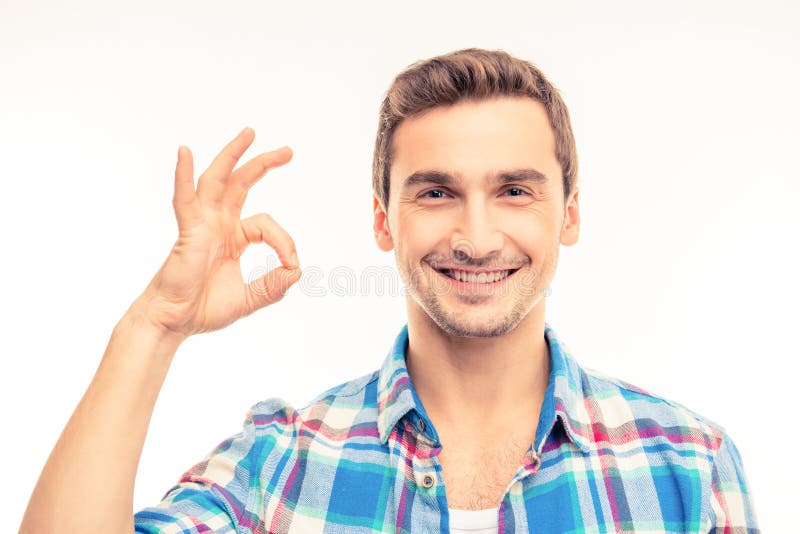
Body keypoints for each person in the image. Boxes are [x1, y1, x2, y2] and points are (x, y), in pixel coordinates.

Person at [20, 48, 759, 533]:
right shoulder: (278, 463)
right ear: (384, 221)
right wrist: (155, 324)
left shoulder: (688, 465)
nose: (476, 235)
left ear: (569, 214)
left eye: (514, 191)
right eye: (436, 192)